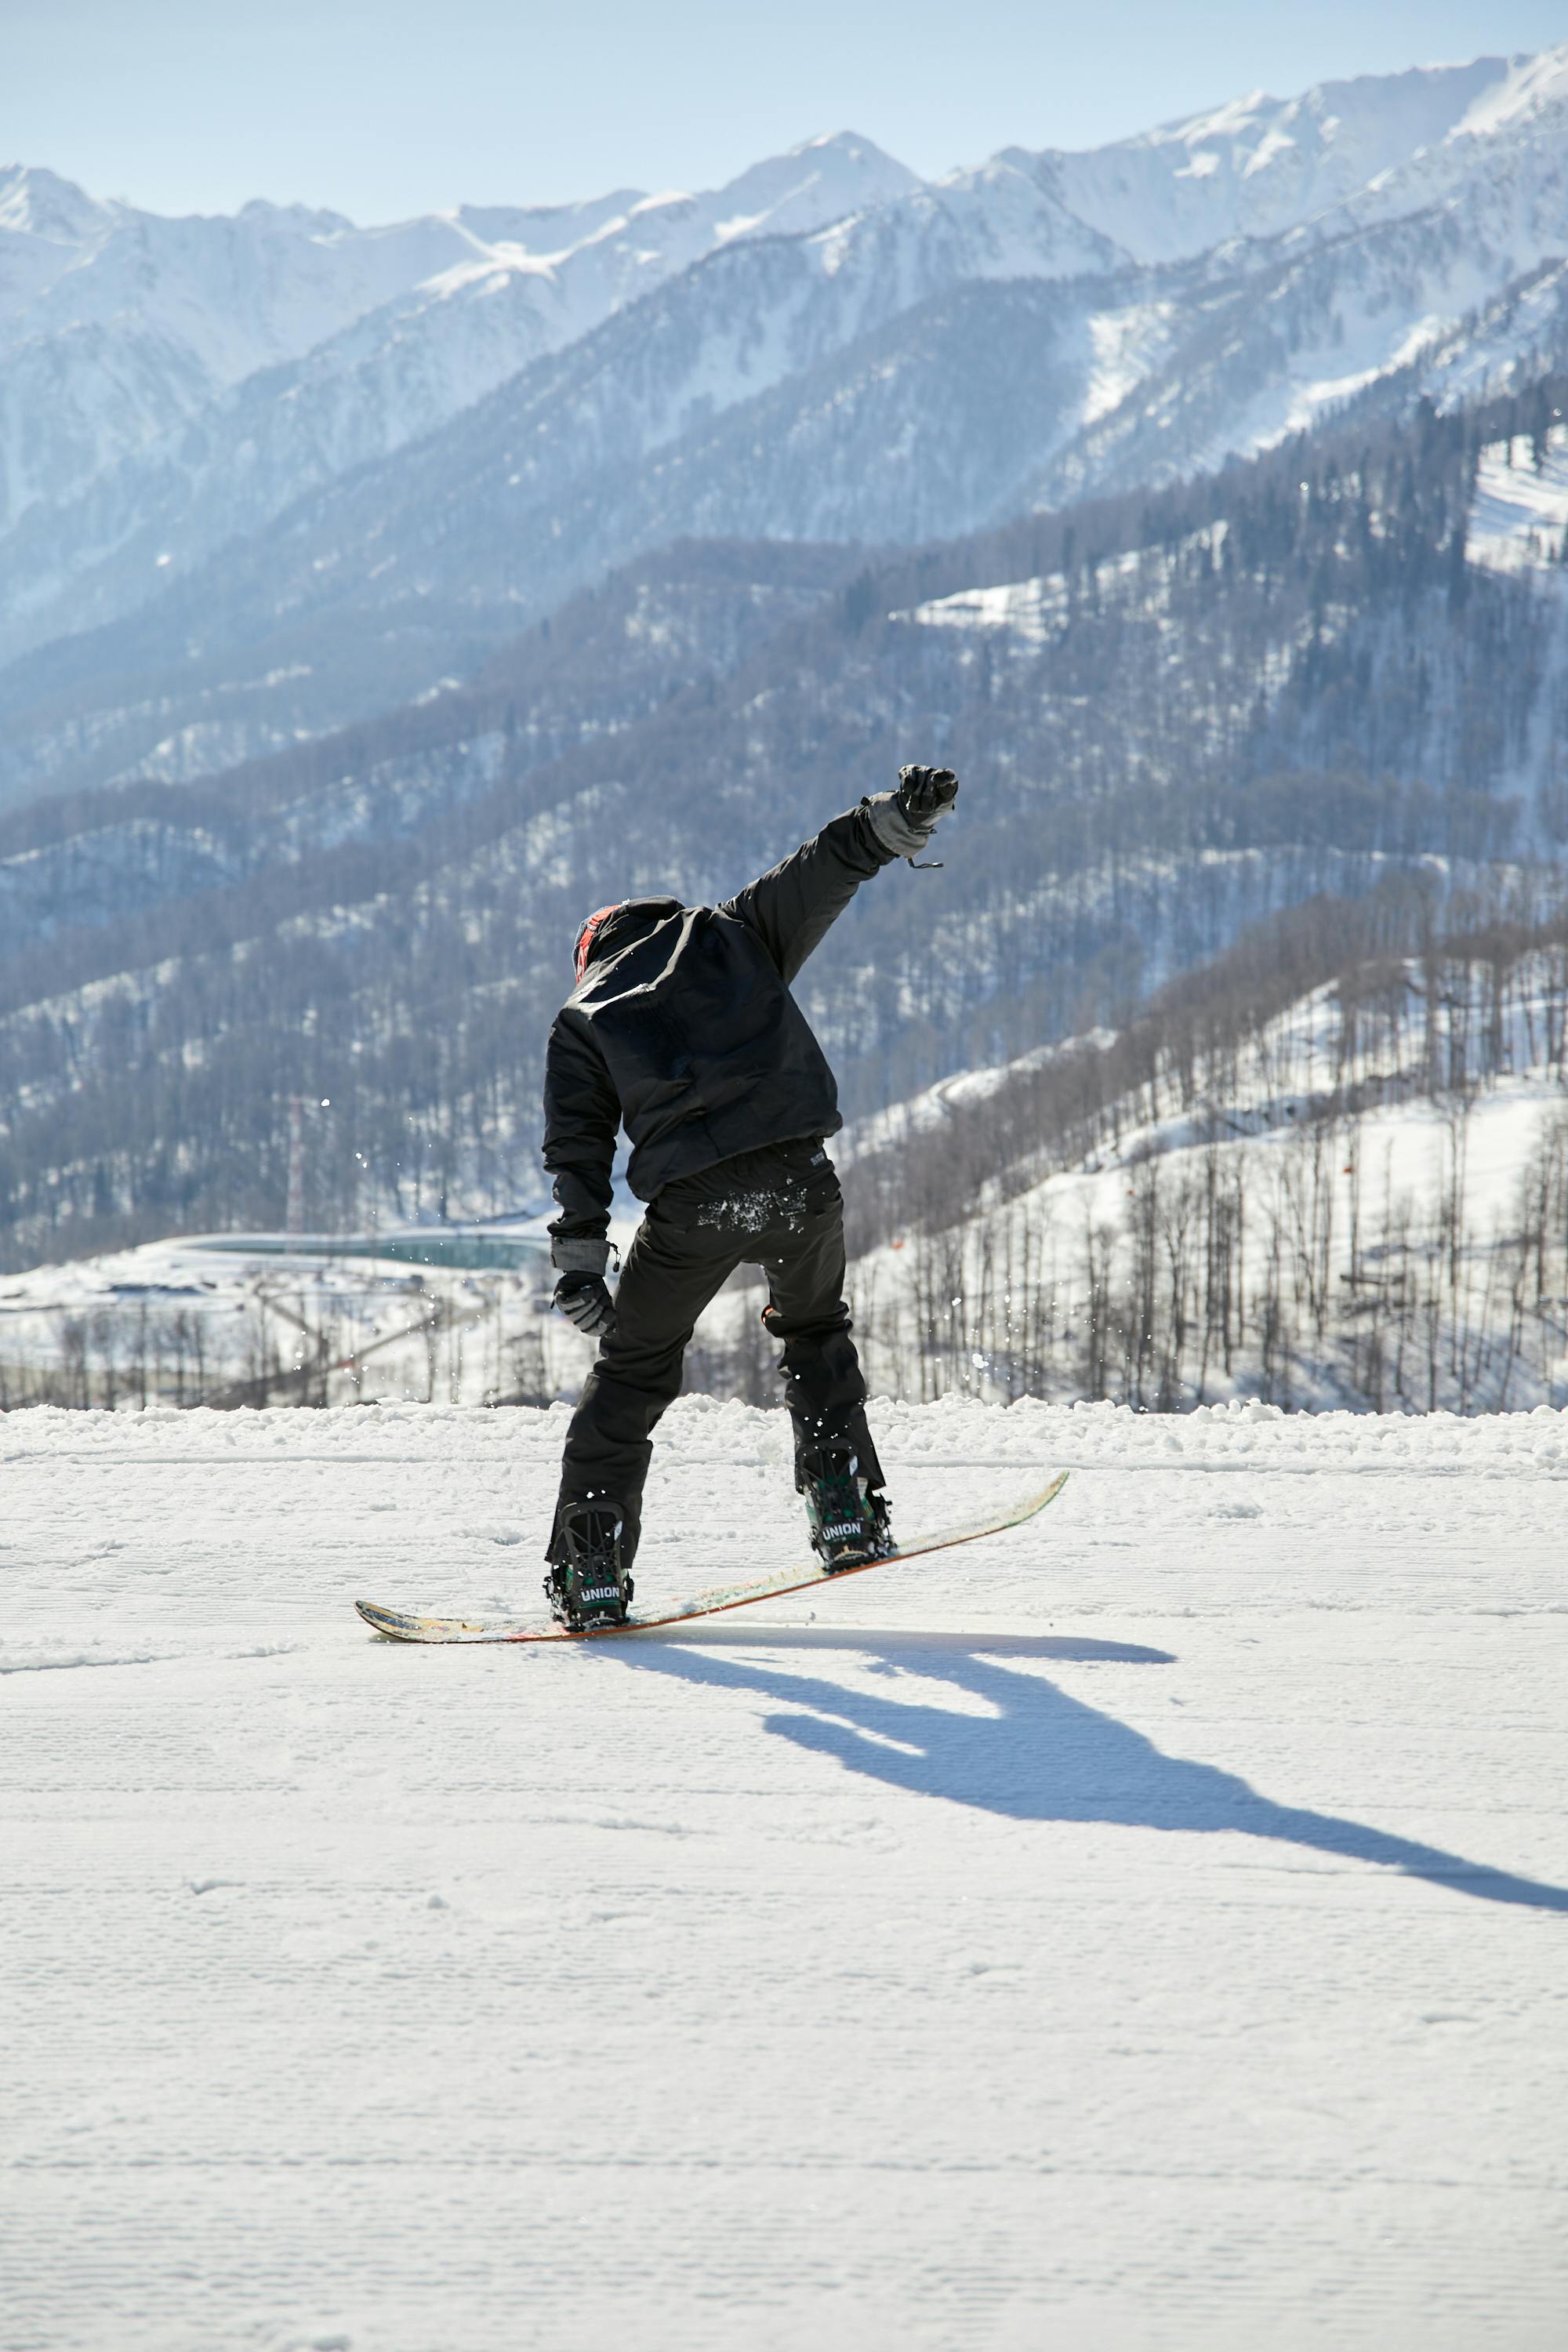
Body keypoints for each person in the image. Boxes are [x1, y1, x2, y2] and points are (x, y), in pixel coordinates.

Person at [539, 764, 960, 1628]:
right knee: (813, 1333)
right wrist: (895, 817)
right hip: (800, 1184)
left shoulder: (582, 1013)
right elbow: (821, 870)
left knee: (631, 1373)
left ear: (590, 952)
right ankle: (843, 1508)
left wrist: (583, 1268)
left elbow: (577, 1149)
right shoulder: (730, 934)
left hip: (692, 1206)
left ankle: (591, 1565)